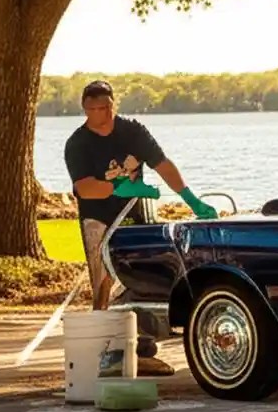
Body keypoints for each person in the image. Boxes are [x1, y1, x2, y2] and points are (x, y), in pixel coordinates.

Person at [64, 79, 218, 376]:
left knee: (142, 280)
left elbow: (163, 165)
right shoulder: (78, 143)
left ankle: (141, 351)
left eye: (106, 107)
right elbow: (84, 188)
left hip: (137, 216)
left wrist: (191, 200)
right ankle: (106, 356)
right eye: (93, 109)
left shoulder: (132, 131)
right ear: (84, 109)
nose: (101, 115)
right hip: (99, 218)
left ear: (114, 104)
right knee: (104, 284)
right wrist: (116, 188)